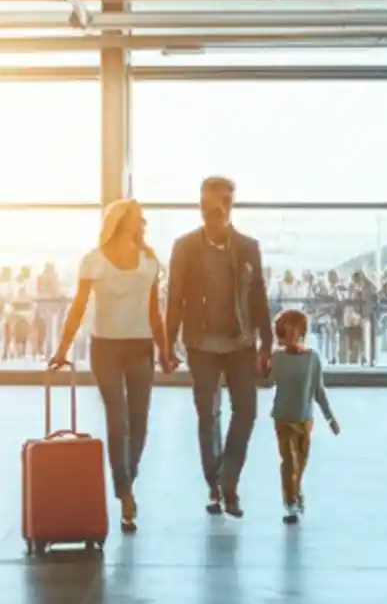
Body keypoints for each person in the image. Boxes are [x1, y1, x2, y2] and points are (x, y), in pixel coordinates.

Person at [50, 199, 173, 534]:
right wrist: (62, 348)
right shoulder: (93, 261)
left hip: (140, 347)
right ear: (122, 221)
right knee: (117, 419)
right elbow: (78, 307)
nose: (144, 223)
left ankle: (127, 477)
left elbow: (154, 313)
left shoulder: (149, 262)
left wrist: (164, 350)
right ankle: (125, 492)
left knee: (140, 423)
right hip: (105, 347)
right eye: (139, 218)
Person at [165, 176, 272, 519]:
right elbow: (175, 299)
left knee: (247, 411)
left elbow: (258, 297)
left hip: (240, 342)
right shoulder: (184, 247)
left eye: (225, 201)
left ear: (232, 205)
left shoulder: (248, 246)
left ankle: (229, 479)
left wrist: (267, 343)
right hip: (201, 342)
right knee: (208, 416)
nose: (218, 208)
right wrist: (166, 343)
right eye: (212, 202)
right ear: (200, 206)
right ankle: (216, 485)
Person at [269, 309, 340, 525]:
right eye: (286, 330)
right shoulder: (277, 358)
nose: (291, 335)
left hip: (304, 419)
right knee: (289, 461)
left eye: (295, 330)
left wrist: (330, 418)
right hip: (283, 417)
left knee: (300, 461)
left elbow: (318, 391)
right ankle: (290, 502)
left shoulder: (312, 359)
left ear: (302, 332)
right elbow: (267, 381)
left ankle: (296, 492)